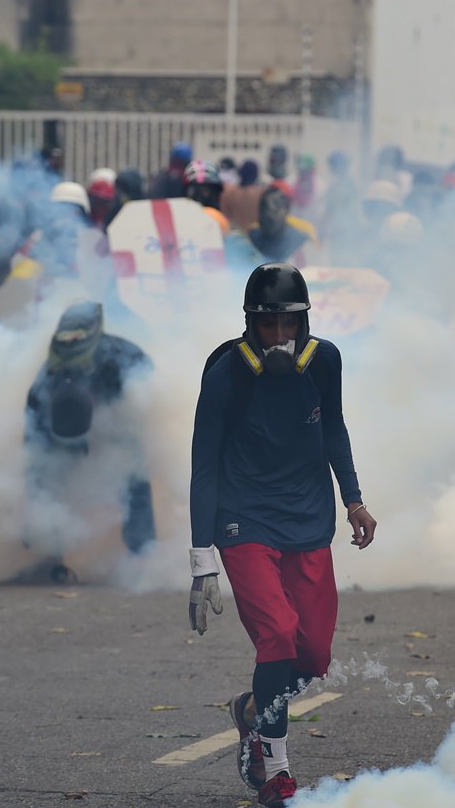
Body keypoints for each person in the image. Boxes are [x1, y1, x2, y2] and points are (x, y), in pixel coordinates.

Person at [189, 263, 374, 808]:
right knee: (277, 635)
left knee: (312, 654)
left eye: (286, 324)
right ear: (249, 322)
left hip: (308, 517)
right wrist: (203, 559)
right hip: (243, 518)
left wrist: (354, 499)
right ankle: (276, 769)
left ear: (304, 321)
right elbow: (203, 464)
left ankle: (251, 712)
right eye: (266, 325)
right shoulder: (226, 372)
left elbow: (334, 425)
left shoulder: (326, 360)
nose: (277, 337)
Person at [25, 300, 156, 557]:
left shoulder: (123, 359)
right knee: (45, 472)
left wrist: (114, 427)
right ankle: (48, 549)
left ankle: (142, 548)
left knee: (133, 470)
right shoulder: (46, 383)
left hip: (116, 418)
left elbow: (144, 402)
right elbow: (33, 456)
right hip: (62, 426)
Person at [247, 188, 312, 265]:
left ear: (287, 210)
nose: (269, 215)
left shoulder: (300, 243)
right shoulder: (251, 238)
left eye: (275, 210)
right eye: (264, 209)